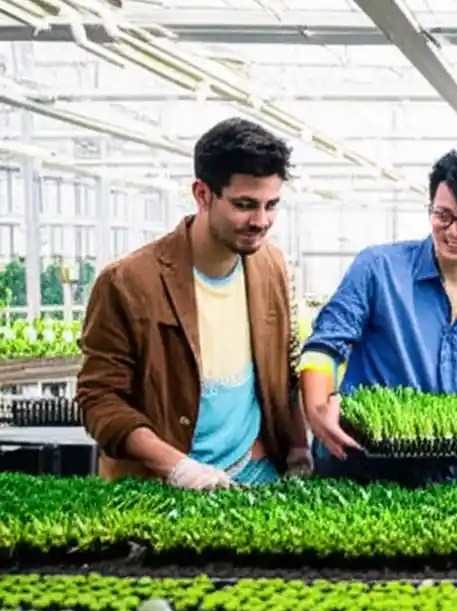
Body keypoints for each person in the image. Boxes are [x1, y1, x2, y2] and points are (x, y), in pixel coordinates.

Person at [76, 117, 310, 489]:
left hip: (255, 470)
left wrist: (298, 448)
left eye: (271, 205)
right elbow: (99, 399)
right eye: (245, 204)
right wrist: (179, 468)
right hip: (162, 482)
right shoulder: (128, 282)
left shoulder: (272, 266)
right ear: (202, 194)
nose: (261, 221)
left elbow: (283, 366)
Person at [299, 147, 457, 483]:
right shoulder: (378, 268)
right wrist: (316, 409)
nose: (454, 232)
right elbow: (326, 344)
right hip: (354, 461)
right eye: (442, 215)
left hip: (436, 476)